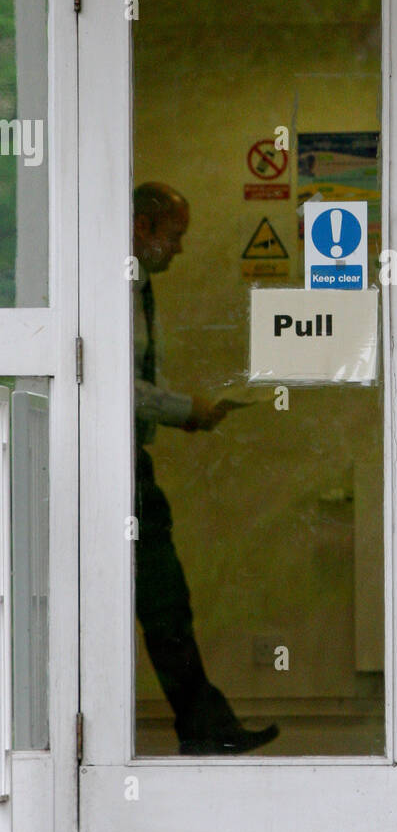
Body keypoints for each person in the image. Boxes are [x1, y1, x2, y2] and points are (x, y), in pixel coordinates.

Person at [133, 181, 279, 756]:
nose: (180, 249)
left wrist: (187, 412)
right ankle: (203, 726)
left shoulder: (135, 287)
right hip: (113, 471)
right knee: (162, 598)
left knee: (164, 599)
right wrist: (181, 409)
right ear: (143, 228)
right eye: (175, 236)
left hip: (132, 465)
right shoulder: (108, 286)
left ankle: (204, 725)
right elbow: (111, 384)